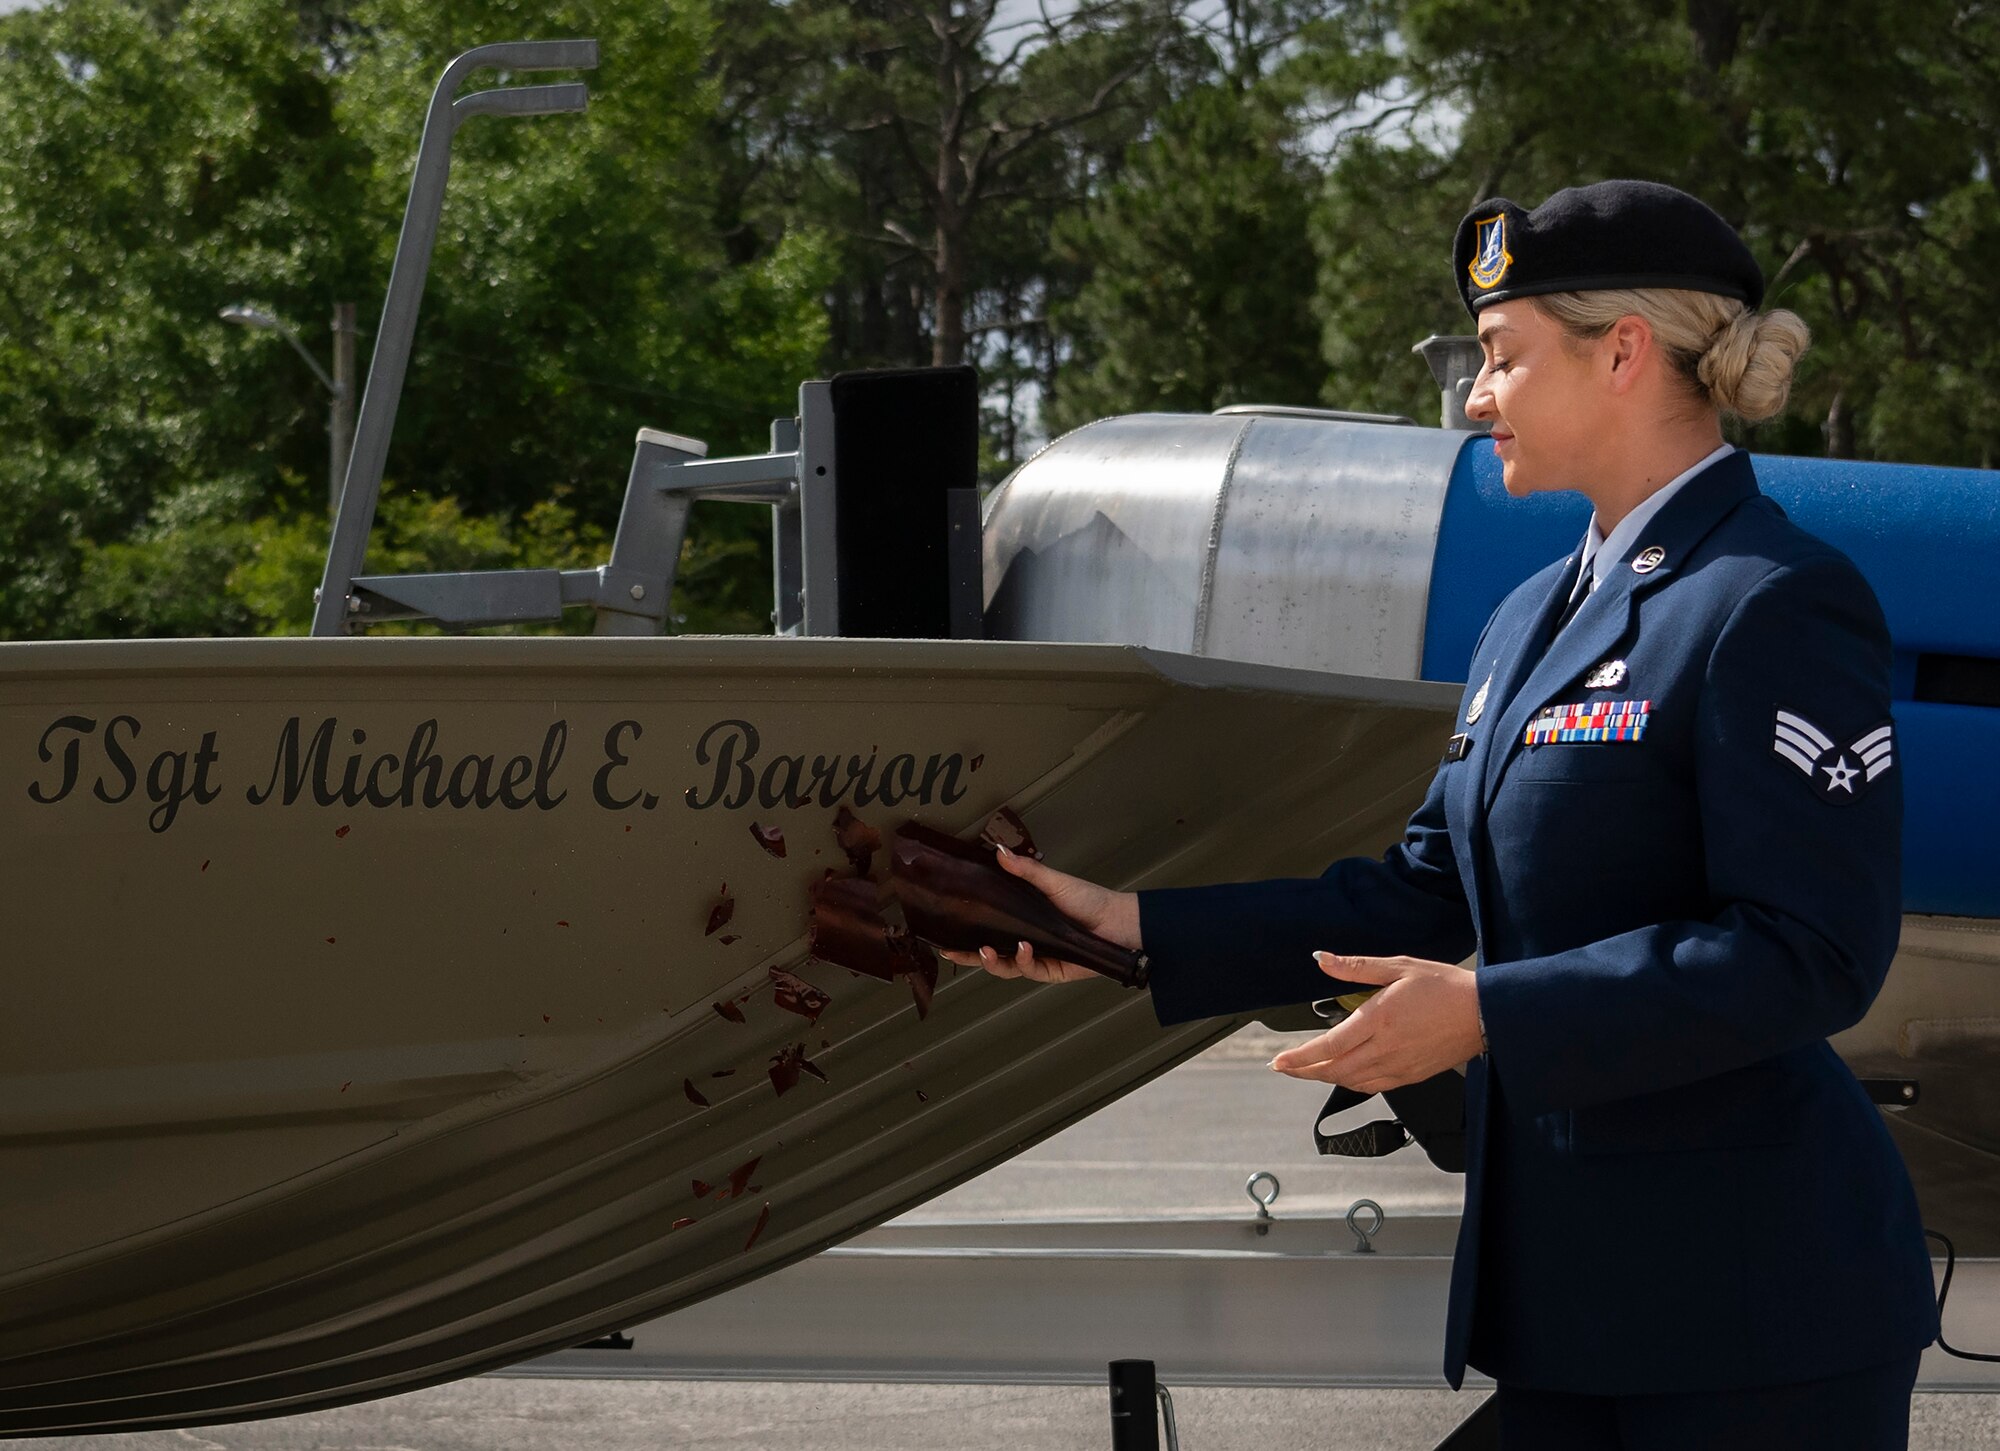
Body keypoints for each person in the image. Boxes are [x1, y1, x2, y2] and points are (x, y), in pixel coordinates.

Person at [939, 179, 1941, 1449]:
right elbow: (1417, 890)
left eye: (1500, 357)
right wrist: (1124, 927)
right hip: (1580, 1314)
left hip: (1757, 1316)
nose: (1473, 397)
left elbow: (1808, 952)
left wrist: (1483, 1013)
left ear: (1621, 352)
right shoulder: (1528, 617)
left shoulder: (1773, 600)